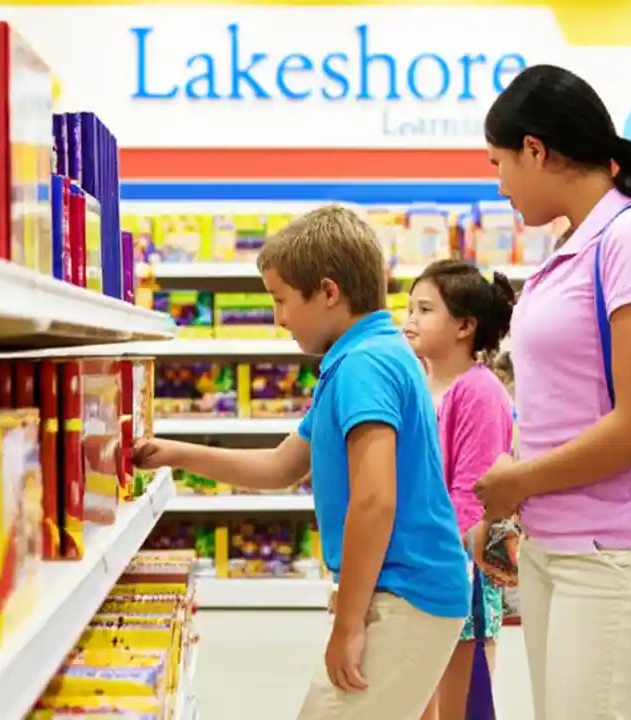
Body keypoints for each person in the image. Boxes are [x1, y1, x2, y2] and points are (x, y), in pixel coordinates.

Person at [134, 206, 471, 720]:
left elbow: (375, 501)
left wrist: (349, 624)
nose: (279, 318)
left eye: (282, 300)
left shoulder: (364, 365)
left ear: (329, 292)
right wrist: (176, 453)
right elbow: (281, 466)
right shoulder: (366, 354)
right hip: (409, 591)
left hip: (404, 595)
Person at [471, 63, 631, 720]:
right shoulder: (575, 243)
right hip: (555, 547)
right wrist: (515, 503)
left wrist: (521, 481)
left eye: (499, 162)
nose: (500, 182)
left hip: (614, 554)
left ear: (535, 149)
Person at [404, 260, 517, 720]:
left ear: (465, 326)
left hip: (458, 571)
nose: (409, 319)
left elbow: (473, 498)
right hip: (413, 568)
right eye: (409, 307)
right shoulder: (412, 381)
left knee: (462, 706)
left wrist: (426, 559)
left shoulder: (480, 391)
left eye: (425, 309)